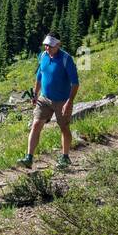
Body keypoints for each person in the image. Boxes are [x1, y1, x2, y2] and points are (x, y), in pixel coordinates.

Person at [19, 32, 79, 169]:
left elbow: (75, 83)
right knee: (36, 124)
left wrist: (69, 102)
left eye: (51, 46)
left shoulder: (66, 59)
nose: (47, 48)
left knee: (64, 127)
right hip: (44, 98)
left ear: (58, 45)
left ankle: (65, 157)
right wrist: (35, 94)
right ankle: (29, 157)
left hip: (62, 100)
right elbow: (40, 76)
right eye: (46, 45)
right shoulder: (43, 56)